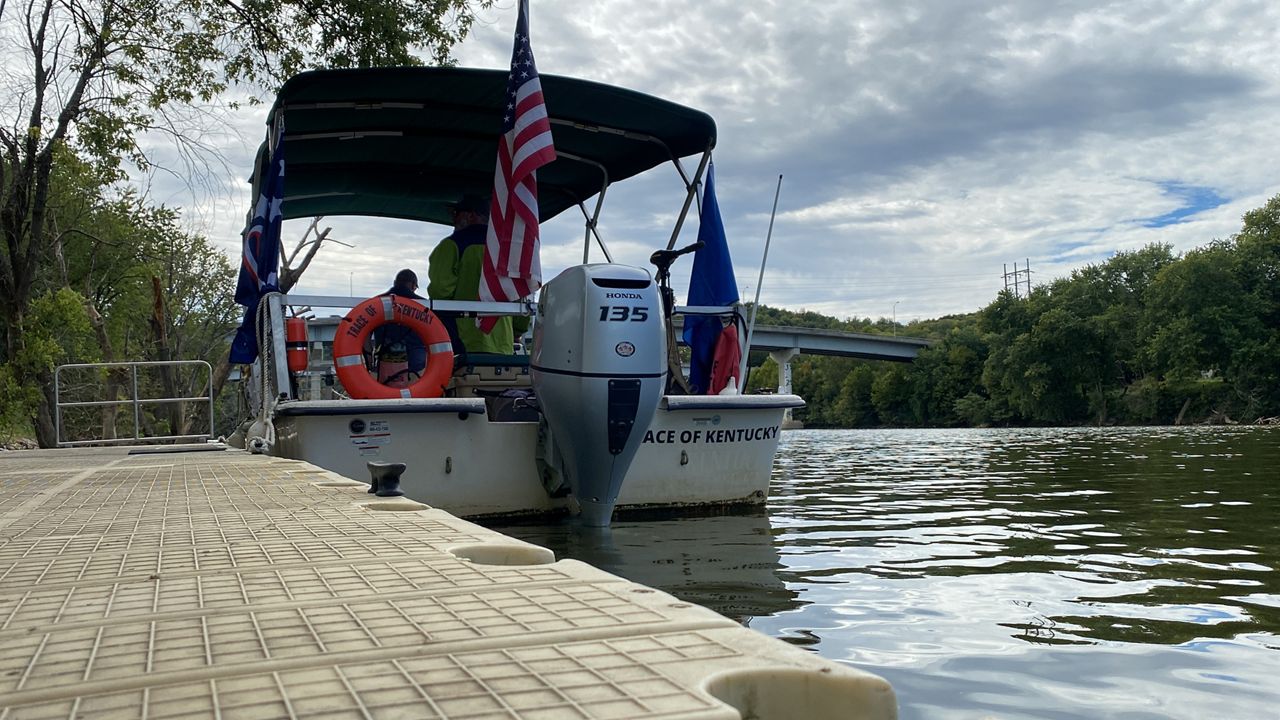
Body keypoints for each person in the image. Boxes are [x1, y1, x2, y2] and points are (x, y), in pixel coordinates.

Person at [427, 194, 529, 358]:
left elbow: (440, 291)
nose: (454, 219)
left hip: (463, 341)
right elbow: (522, 294)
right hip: (503, 343)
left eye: (457, 213)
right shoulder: (509, 251)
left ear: (472, 215)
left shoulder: (451, 245)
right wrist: (517, 330)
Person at [371, 269, 426, 387]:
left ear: (395, 282)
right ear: (412, 285)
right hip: (415, 361)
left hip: (385, 360)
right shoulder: (423, 304)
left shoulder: (376, 302)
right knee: (415, 389)